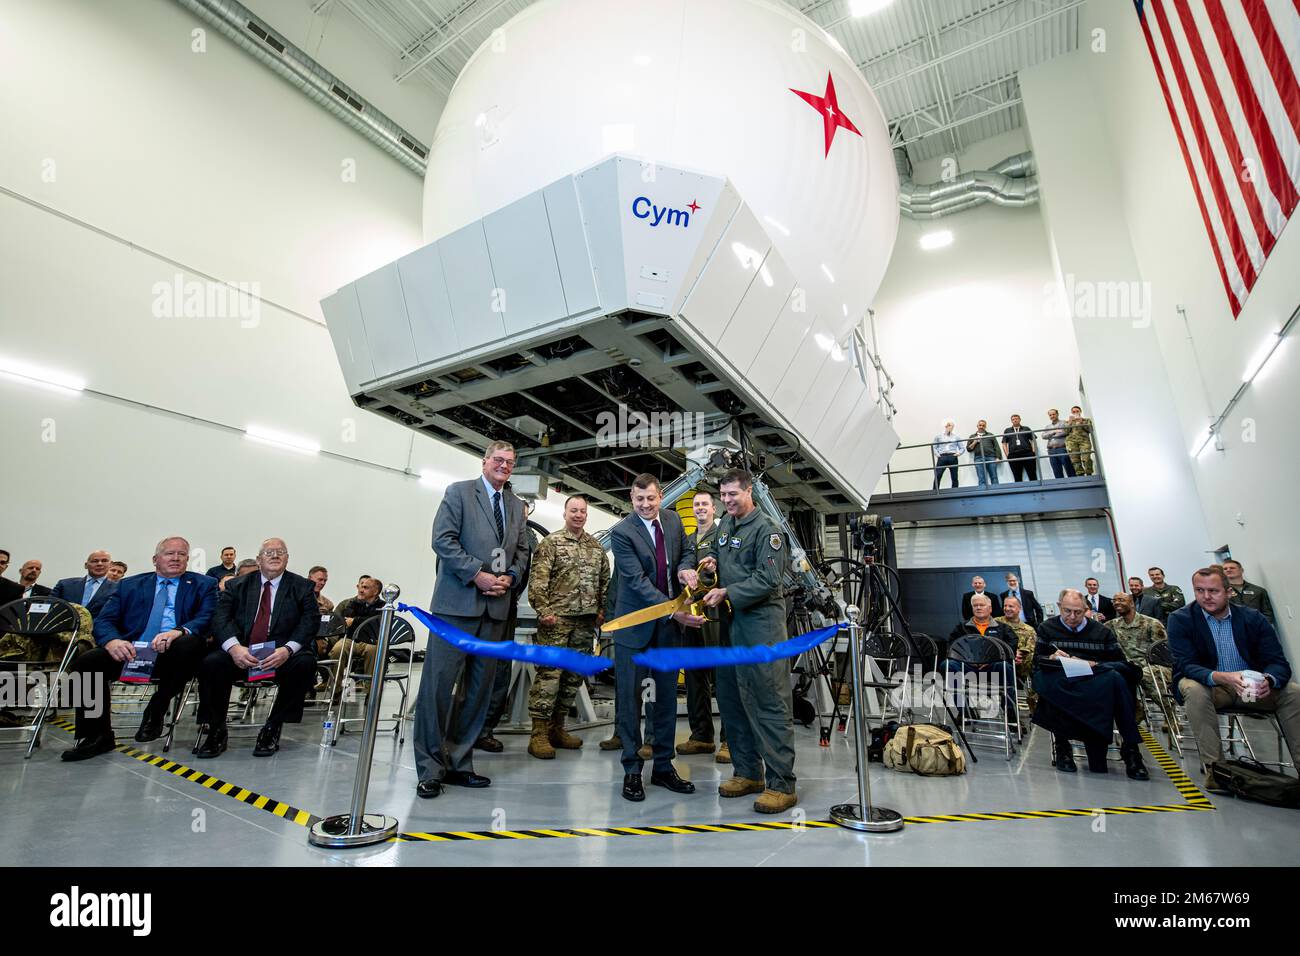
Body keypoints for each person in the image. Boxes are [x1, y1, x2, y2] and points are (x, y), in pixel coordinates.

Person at [413, 441, 531, 799]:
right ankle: (430, 769)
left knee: (479, 692)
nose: (504, 466)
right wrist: (476, 574)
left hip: (495, 610)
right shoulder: (459, 493)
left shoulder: (514, 506)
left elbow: (523, 549)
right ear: (484, 462)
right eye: (498, 459)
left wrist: (511, 576)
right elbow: (443, 540)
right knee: (438, 689)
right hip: (457, 607)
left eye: (510, 462)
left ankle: (460, 763)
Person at [62, 537, 217, 761]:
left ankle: (158, 705)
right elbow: (105, 620)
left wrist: (178, 631)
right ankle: (96, 736)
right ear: (155, 559)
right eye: (169, 553)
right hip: (134, 650)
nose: (176, 558)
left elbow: (206, 617)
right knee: (85, 664)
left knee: (189, 643)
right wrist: (112, 641)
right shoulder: (129, 584)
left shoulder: (204, 584)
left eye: (182, 554)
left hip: (175, 653)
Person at [702, 469, 797, 813]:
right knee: (731, 701)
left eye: (733, 494)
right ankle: (747, 772)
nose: (727, 500)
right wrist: (712, 563)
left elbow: (769, 580)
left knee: (768, 702)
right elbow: (720, 554)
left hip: (760, 628)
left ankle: (781, 784)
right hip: (729, 625)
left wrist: (728, 590)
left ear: (749, 491)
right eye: (723, 495)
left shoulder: (767, 531)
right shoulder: (727, 525)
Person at [608, 473, 701, 802]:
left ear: (660, 496)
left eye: (650, 499)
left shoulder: (674, 521)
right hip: (635, 626)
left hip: (666, 630)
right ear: (631, 499)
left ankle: (663, 766)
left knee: (663, 699)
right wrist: (674, 610)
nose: (645, 505)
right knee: (630, 701)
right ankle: (632, 770)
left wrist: (684, 570)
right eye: (638, 500)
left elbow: (688, 551)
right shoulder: (622, 532)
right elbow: (635, 581)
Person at [1167, 566, 1300, 790]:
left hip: (1251, 689)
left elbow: (1278, 662)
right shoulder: (1181, 619)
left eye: (1213, 591)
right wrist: (1222, 677)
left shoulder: (1253, 618)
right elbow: (1186, 665)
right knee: (1192, 688)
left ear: (1229, 592)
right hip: (1212, 687)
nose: (1206, 597)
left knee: (1293, 692)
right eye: (1199, 590)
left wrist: (1268, 680)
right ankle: (1215, 771)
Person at [196, 538, 320, 758]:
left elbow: (310, 622)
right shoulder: (237, 585)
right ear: (259, 559)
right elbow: (220, 619)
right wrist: (234, 648)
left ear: (287, 559)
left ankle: (273, 726)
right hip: (242, 652)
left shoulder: (302, 586)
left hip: (280, 654)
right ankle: (216, 729)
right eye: (269, 552)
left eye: (280, 552)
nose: (275, 555)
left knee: (305, 663)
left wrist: (287, 650)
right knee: (211, 663)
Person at [1032, 588, 1149, 779]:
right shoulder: (1047, 628)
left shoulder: (1101, 632)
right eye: (1067, 611)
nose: (1072, 616)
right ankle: (1062, 746)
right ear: (1059, 607)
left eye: (1078, 612)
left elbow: (1123, 664)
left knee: (1118, 680)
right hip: (1063, 680)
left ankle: (1131, 749)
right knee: (1049, 686)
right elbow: (1037, 661)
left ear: (1086, 608)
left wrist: (1094, 664)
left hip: (1096, 679)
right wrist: (1051, 657)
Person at [525, 495, 609, 759]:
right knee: (549, 676)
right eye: (574, 510)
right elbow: (538, 580)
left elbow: (604, 581)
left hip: (585, 622)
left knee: (572, 677)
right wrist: (544, 610)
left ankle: (557, 728)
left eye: (582, 511)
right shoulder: (551, 543)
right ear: (565, 513)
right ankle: (538, 733)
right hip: (556, 621)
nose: (578, 515)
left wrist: (601, 610)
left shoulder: (595, 547)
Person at [678, 489, 727, 758]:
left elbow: (727, 569)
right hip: (691, 613)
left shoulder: (720, 538)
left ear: (713, 509)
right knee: (695, 675)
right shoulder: (687, 540)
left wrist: (714, 568)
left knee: (722, 677)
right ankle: (701, 736)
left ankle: (729, 740)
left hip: (715, 613)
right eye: (696, 505)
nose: (700, 508)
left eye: (705, 504)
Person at [945, 594, 1019, 717]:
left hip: (993, 667)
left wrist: (991, 659)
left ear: (990, 609)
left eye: (982, 605)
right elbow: (952, 648)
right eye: (975, 605)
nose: (978, 608)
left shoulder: (1003, 629)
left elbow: (1011, 648)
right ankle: (965, 711)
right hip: (968, 667)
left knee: (1005, 666)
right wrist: (968, 660)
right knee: (949, 664)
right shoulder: (962, 628)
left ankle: (1010, 714)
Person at [328, 575, 386, 698]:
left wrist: (355, 621)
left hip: (371, 640)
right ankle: (336, 690)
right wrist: (357, 605)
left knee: (374, 651)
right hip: (351, 639)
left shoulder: (383, 606)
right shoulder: (352, 603)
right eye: (360, 586)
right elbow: (345, 620)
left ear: (375, 592)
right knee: (338, 649)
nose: (360, 590)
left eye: (365, 587)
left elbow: (375, 622)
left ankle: (371, 692)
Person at [1105, 591, 1168, 705]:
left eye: (1121, 600)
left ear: (1132, 603)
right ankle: (1135, 711)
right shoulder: (1111, 625)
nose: (1117, 603)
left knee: (1144, 675)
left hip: (1152, 666)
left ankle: (1169, 713)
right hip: (1126, 666)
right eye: (1115, 600)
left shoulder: (1151, 623)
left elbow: (1164, 653)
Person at [996, 596, 1038, 713]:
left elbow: (1032, 650)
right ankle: (1011, 714)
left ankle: (1034, 705)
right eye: (1005, 605)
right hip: (1000, 664)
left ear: (1019, 608)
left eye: (1011, 606)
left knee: (1038, 666)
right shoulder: (995, 623)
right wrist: (1011, 656)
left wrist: (1019, 657)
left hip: (1022, 666)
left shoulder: (1028, 630)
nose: (1007, 608)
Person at [51, 550, 118, 617]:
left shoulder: (117, 589)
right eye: (94, 561)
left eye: (104, 561)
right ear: (86, 565)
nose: (99, 564)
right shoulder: (64, 585)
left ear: (110, 565)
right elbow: (49, 606)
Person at [1222, 560, 1276, 628]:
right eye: (1225, 569)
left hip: (1256, 629)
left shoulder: (1258, 590)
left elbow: (1268, 613)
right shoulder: (1221, 592)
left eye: (1232, 568)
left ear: (1241, 570)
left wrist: (1263, 627)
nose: (1228, 570)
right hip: (1233, 629)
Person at [1002, 414, 1038, 481]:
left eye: (1016, 419)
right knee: (1017, 476)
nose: (1015, 420)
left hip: (1027, 453)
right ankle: (1020, 491)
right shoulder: (1007, 430)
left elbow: (1033, 440)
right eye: (1013, 419)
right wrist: (1008, 455)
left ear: (1020, 420)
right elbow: (1004, 443)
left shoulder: (1026, 428)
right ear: (1011, 421)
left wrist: (1033, 451)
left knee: (1032, 474)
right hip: (1013, 455)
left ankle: (1036, 491)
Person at [966, 419, 1002, 487]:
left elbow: (996, 446)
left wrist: (998, 457)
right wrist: (974, 442)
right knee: (981, 477)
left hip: (991, 457)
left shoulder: (990, 435)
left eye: (983, 425)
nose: (981, 426)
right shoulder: (972, 436)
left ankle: (996, 492)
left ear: (985, 427)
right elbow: (968, 449)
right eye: (980, 425)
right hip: (978, 458)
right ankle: (982, 493)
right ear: (977, 426)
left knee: (994, 476)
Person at [1042, 409, 1076, 479]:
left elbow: (1065, 432)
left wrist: (1051, 434)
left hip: (1062, 448)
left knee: (1068, 466)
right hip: (1051, 451)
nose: (1052, 416)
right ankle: (1061, 486)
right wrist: (1054, 432)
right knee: (1056, 469)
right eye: (1050, 415)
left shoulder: (1063, 422)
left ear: (1057, 414)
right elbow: (1043, 436)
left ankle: (1074, 482)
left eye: (1053, 414)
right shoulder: (1048, 426)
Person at [932, 420, 963, 490]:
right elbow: (934, 447)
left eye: (952, 426)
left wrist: (958, 453)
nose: (951, 428)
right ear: (946, 426)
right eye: (950, 426)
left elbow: (962, 448)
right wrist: (938, 455)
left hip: (952, 456)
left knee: (954, 476)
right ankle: (935, 491)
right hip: (942, 457)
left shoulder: (956, 437)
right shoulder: (938, 437)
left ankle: (955, 491)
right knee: (938, 475)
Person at [1065, 405, 1094, 476]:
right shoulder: (1068, 422)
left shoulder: (1086, 420)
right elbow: (1065, 432)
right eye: (1073, 412)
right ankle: (1080, 474)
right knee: (1075, 460)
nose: (1075, 413)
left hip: (1084, 442)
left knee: (1086, 458)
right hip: (1072, 443)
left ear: (1080, 412)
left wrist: (1082, 422)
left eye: (1077, 411)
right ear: (1071, 413)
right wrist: (1070, 423)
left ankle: (1089, 473)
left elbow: (1090, 430)